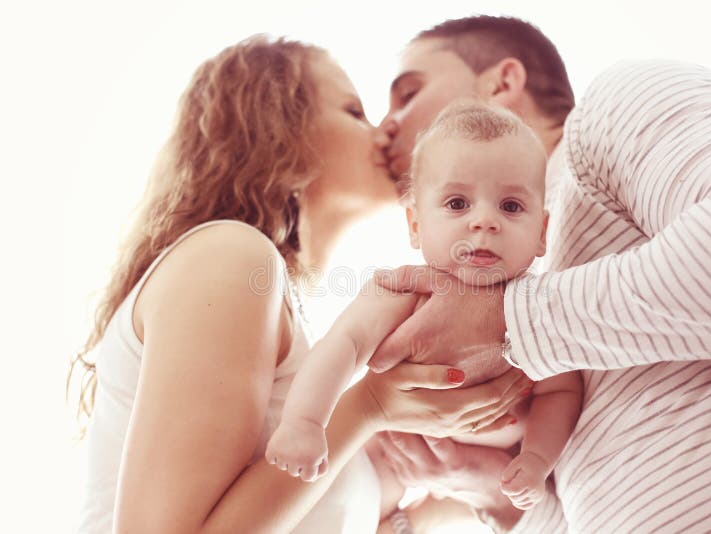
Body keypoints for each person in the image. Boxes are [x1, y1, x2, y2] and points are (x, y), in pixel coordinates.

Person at [67, 34, 528, 533]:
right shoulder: (228, 257)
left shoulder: (298, 352)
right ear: (277, 129)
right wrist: (371, 407)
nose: (386, 131)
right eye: (355, 112)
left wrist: (464, 481)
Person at [371, 15, 711, 533]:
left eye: (408, 92)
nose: (384, 127)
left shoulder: (610, 111)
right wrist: (497, 492)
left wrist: (504, 321)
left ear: (501, 84)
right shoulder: (512, 274)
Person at [266, 101, 583, 511]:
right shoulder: (402, 292)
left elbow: (561, 389)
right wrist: (305, 422)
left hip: (492, 466)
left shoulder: (537, 310)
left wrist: (537, 459)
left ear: (541, 233)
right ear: (415, 225)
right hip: (397, 450)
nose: (485, 221)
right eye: (457, 204)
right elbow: (341, 346)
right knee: (360, 487)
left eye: (510, 206)